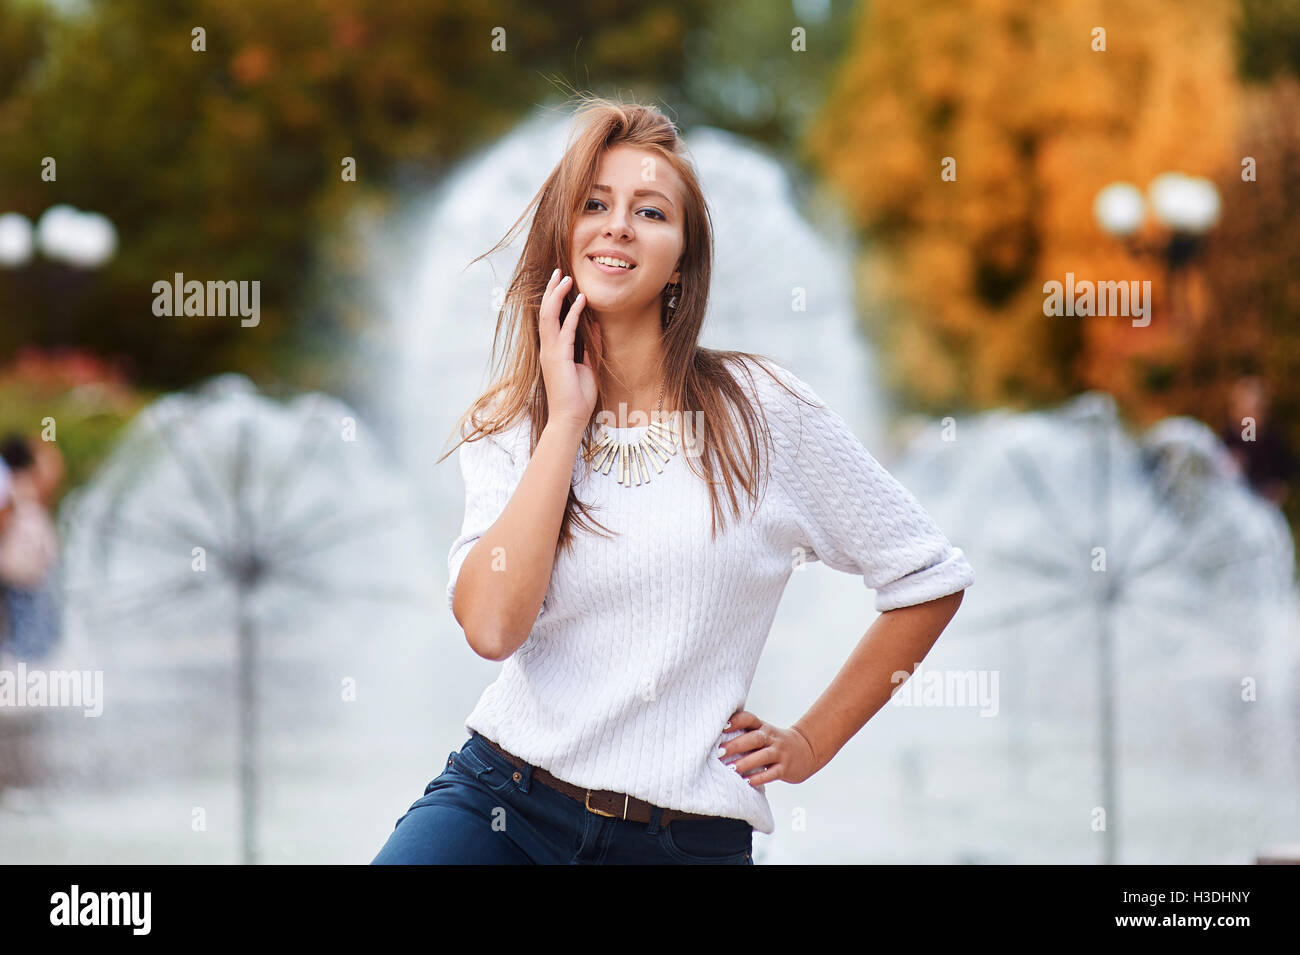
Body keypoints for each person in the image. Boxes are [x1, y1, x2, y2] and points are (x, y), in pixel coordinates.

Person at [371, 96, 975, 865]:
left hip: (681, 841)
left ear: (683, 259)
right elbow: (493, 629)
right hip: (504, 806)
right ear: (567, 233)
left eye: (651, 212)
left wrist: (811, 741)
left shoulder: (764, 411)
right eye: (596, 204)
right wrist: (564, 423)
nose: (619, 225)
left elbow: (927, 575)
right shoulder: (509, 425)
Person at [0, 434, 62, 662]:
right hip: (21, 570)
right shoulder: (16, 485)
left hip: (26, 569)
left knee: (25, 631)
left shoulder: (16, 483)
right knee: (27, 634)